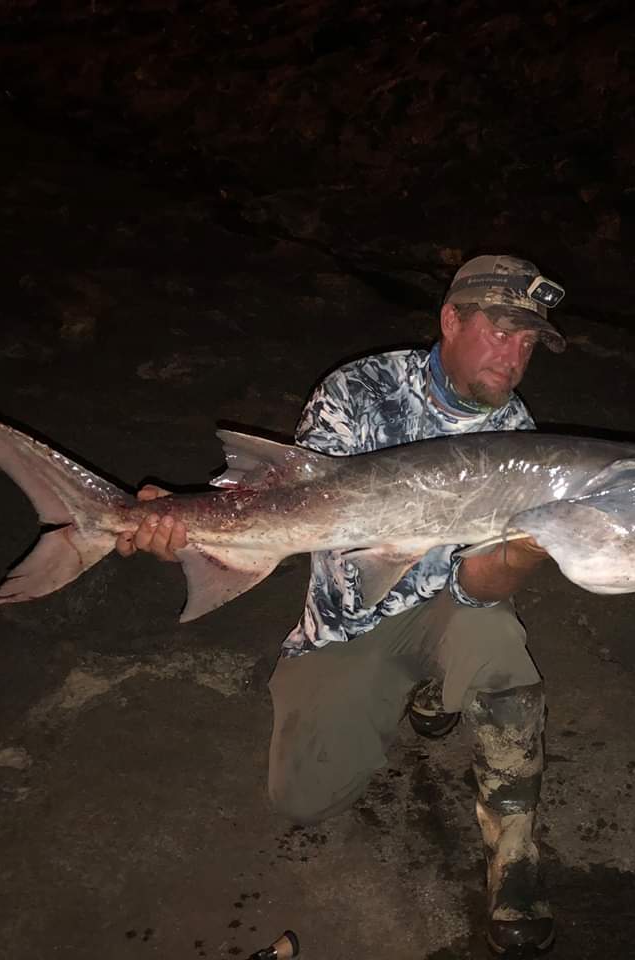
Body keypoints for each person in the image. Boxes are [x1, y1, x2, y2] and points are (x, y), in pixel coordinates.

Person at [117, 254, 568, 957]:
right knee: (302, 798)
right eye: (499, 331)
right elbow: (282, 498)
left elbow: (480, 585)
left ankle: (515, 858)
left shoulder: (519, 441)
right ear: (451, 320)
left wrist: (529, 548)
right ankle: (418, 688)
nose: (512, 357)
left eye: (528, 342)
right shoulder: (360, 389)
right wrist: (179, 520)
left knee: (496, 644)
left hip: (447, 610)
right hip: (350, 624)